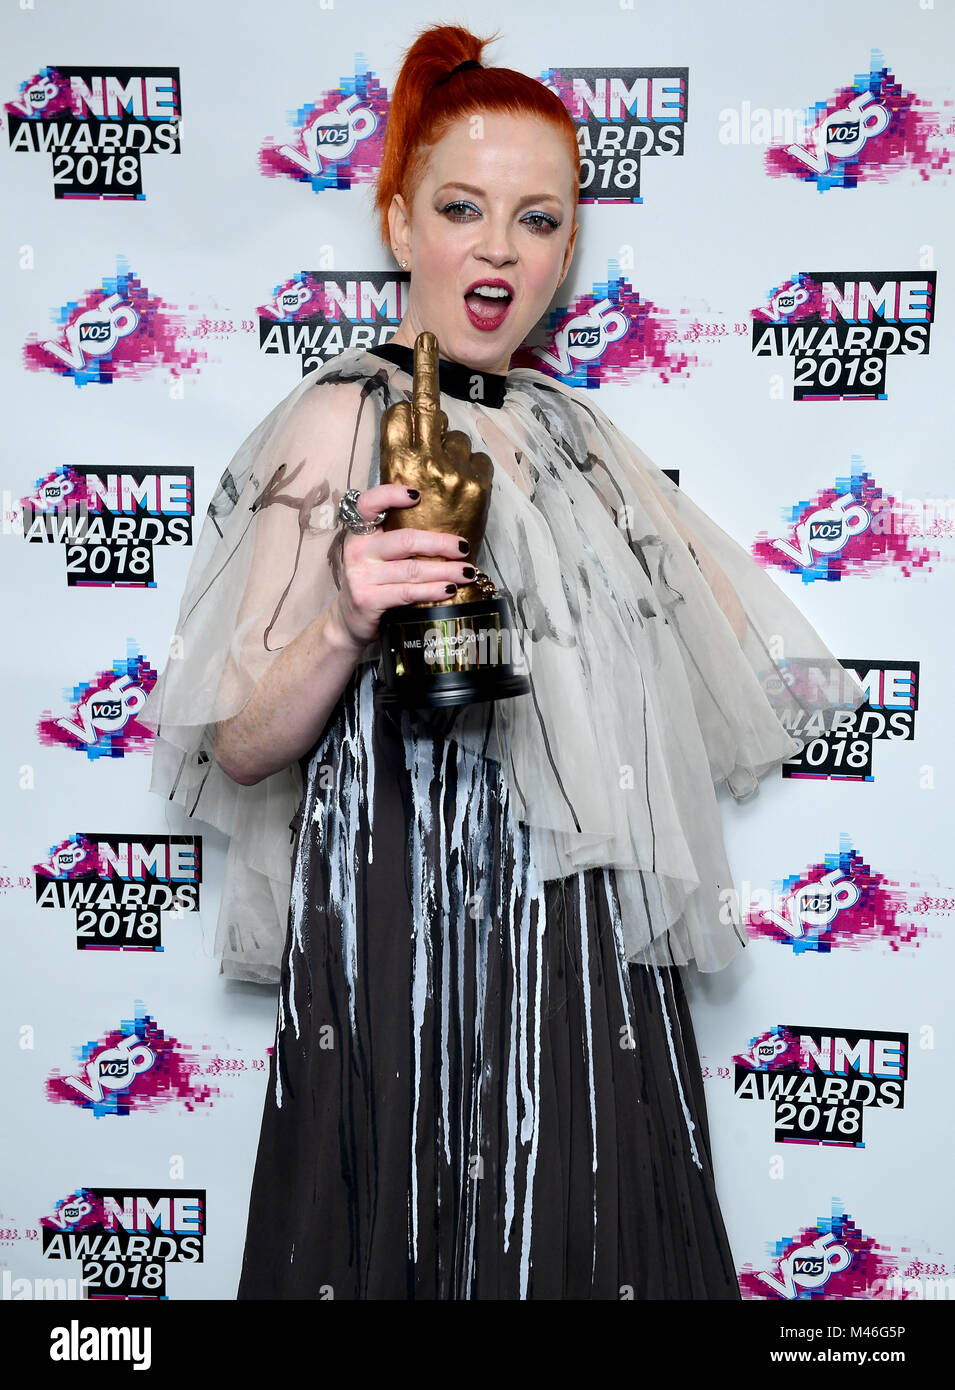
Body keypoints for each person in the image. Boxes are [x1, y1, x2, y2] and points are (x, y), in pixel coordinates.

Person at [141, 23, 865, 1299]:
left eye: (538, 219)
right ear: (397, 219)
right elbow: (240, 747)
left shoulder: (582, 440)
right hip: (395, 930)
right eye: (463, 208)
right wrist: (344, 616)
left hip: (575, 936)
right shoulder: (339, 416)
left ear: (567, 250)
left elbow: (714, 683)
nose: (497, 247)